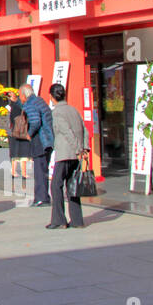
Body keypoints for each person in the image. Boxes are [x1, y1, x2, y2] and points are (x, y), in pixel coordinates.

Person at [46, 83, 87, 229]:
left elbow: (66, 131)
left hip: (65, 154)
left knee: (55, 185)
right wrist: (84, 148)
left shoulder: (57, 112)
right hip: (76, 156)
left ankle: (59, 220)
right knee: (72, 186)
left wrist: (77, 148)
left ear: (52, 97)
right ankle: (77, 220)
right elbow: (84, 129)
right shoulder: (74, 110)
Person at [21, 82, 54, 207]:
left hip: (40, 141)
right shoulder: (39, 100)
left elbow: (35, 121)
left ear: (24, 95)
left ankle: (41, 198)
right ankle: (44, 196)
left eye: (20, 96)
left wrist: (29, 133)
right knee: (43, 169)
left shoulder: (30, 104)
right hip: (48, 140)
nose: (20, 98)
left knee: (39, 170)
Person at [6, 88, 32, 195]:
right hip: (21, 131)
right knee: (23, 153)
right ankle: (23, 173)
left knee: (15, 153)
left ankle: (14, 171)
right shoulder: (19, 105)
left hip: (13, 131)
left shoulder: (9, 107)